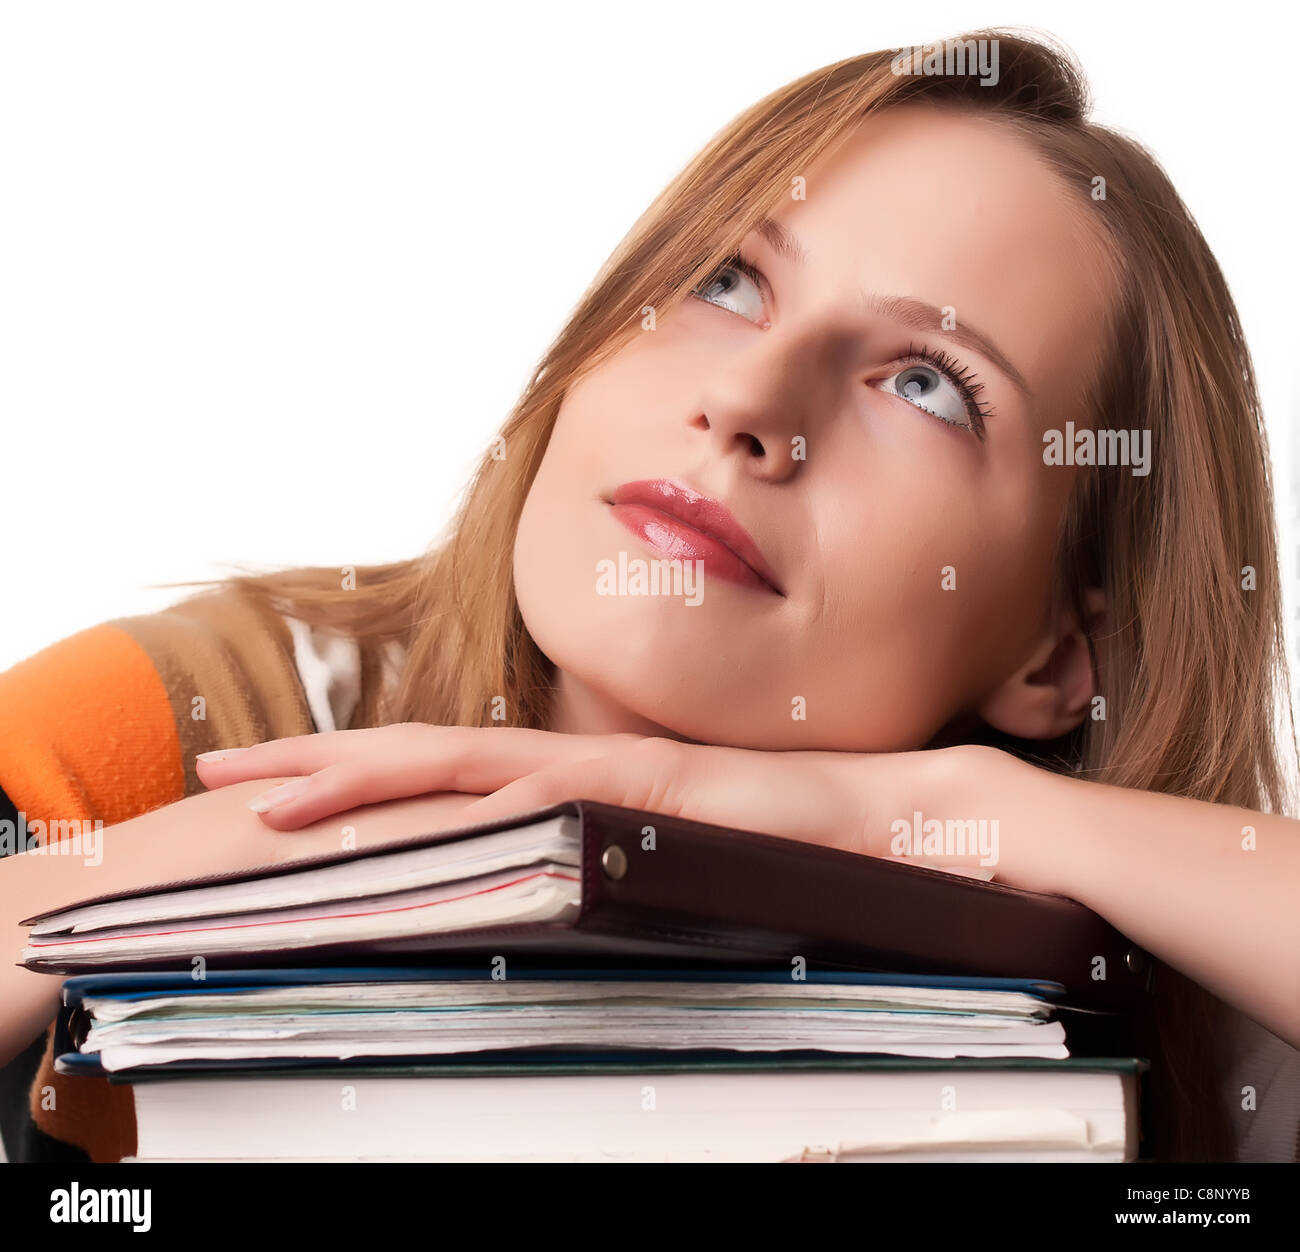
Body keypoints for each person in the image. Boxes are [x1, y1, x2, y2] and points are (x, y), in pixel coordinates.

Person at [2, 28, 1297, 1163]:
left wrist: (951, 806)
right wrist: (329, 857)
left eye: (926, 384)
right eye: (726, 283)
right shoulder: (180, 718)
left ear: (1059, 652)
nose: (746, 405)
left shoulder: (1169, 966)